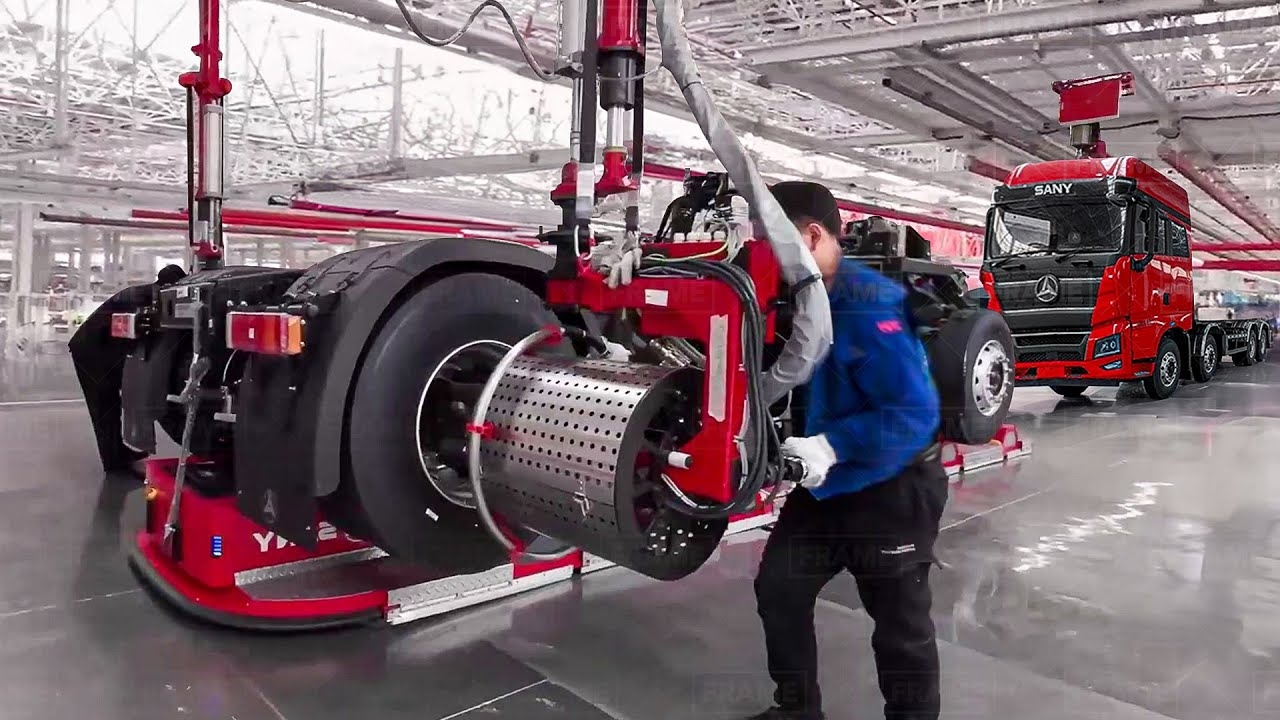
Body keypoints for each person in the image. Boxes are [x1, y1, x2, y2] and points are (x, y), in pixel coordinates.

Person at [747, 181, 948, 720]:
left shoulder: (868, 305)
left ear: (811, 236)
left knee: (900, 628)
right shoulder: (801, 297)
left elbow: (913, 414)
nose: (761, 254)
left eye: (769, 240)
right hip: (825, 490)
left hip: (890, 490)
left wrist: (831, 445)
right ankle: (797, 711)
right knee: (780, 590)